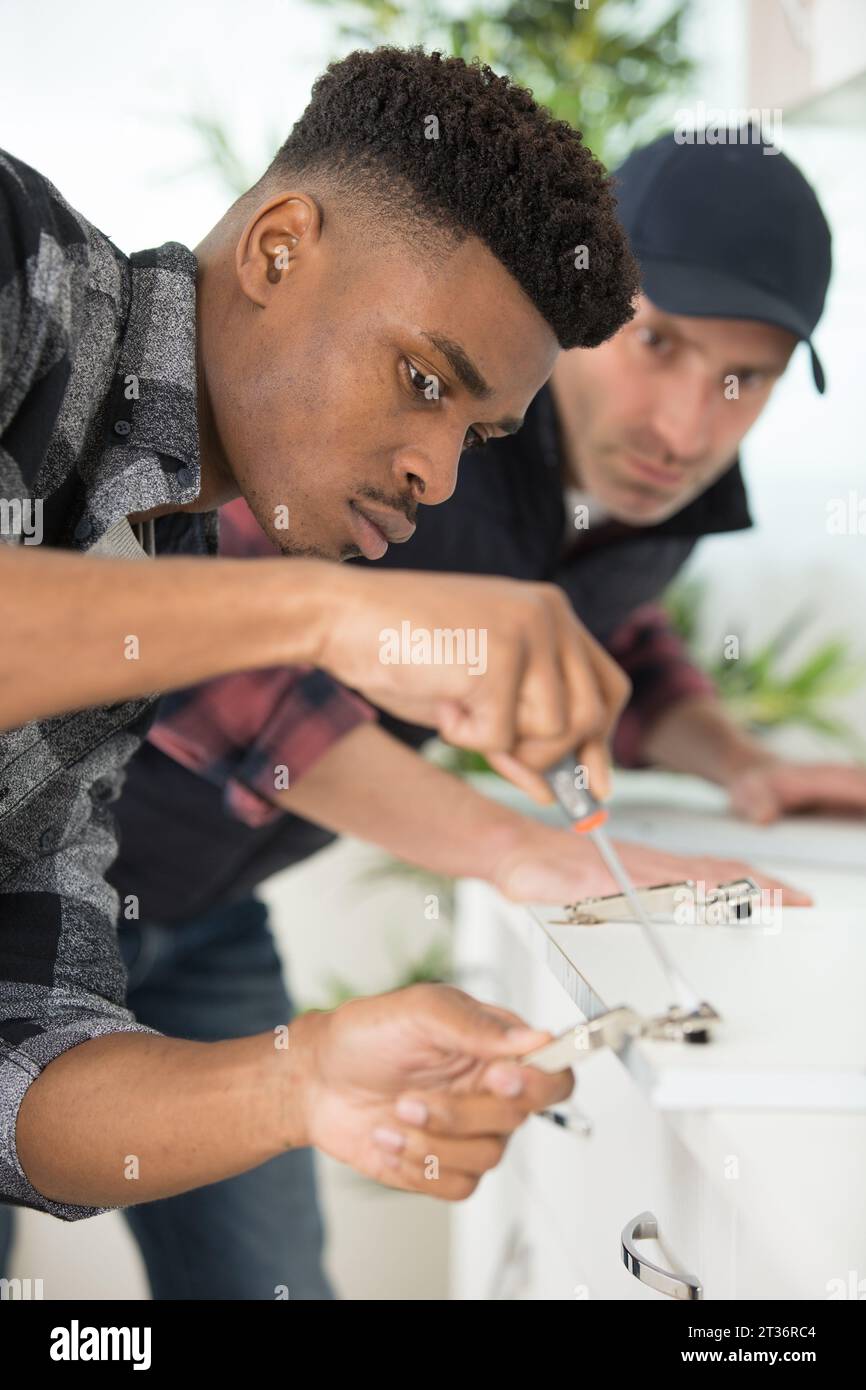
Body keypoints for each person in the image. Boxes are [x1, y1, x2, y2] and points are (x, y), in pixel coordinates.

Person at [0, 47, 640, 1232]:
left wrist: (303, 1081)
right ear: (277, 246)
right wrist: (329, 616)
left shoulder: (153, 580)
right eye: (421, 380)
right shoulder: (13, 257)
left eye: (480, 437)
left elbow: (22, 1055)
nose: (434, 475)